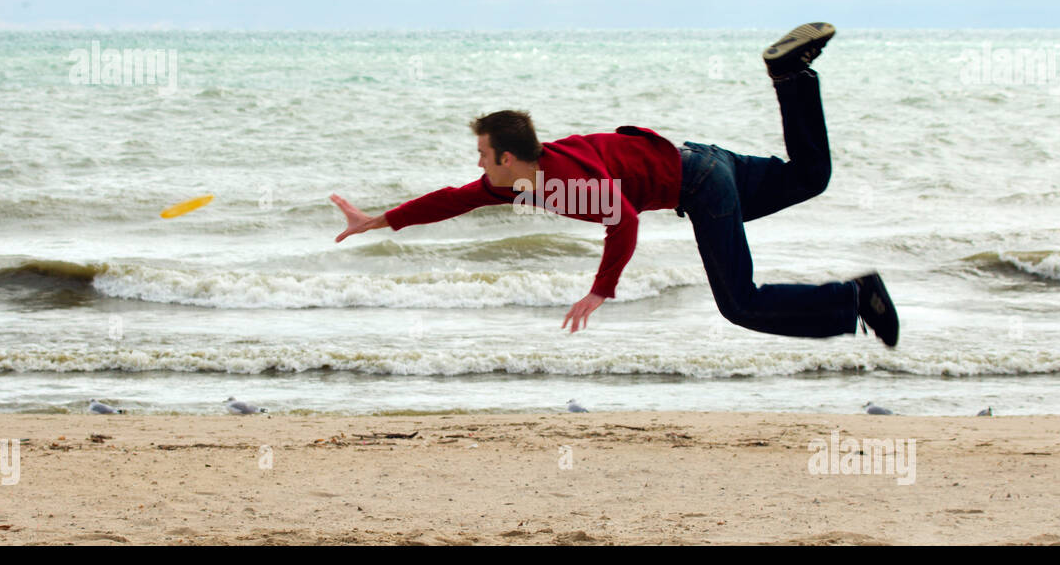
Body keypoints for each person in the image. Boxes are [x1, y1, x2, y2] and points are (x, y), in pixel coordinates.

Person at [330, 22, 899, 346]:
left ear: (506, 156)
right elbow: (453, 200)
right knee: (810, 177)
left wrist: (602, 289)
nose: (478, 166)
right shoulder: (520, 180)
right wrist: (379, 219)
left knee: (741, 305)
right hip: (701, 160)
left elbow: (622, 220)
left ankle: (852, 300)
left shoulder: (560, 182)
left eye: (483, 155)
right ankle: (791, 74)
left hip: (701, 186)